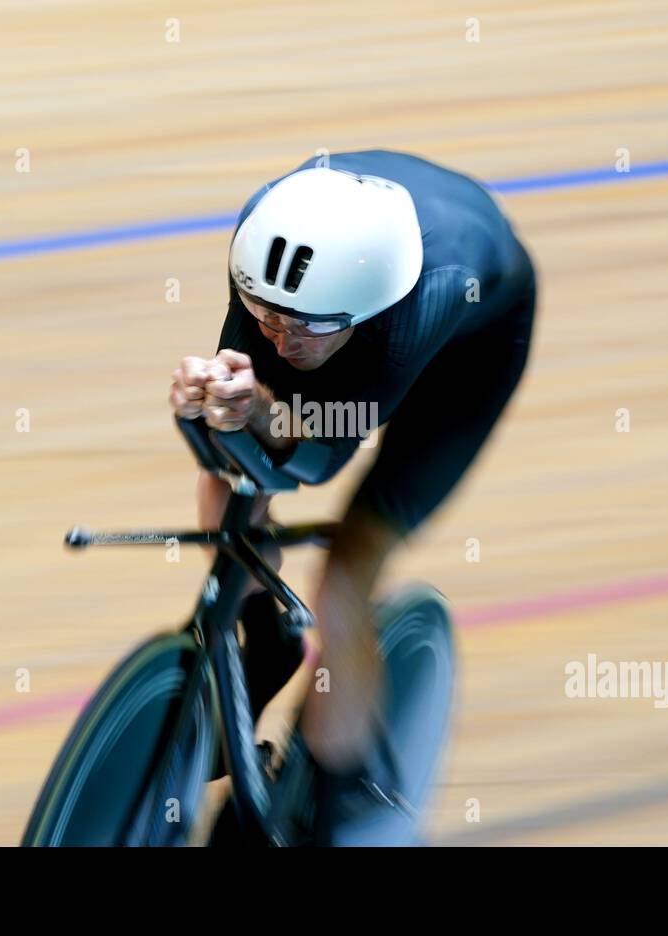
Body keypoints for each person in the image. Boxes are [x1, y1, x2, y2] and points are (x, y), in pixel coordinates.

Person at [169, 150, 537, 843]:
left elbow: (315, 458)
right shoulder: (266, 245)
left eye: (306, 324)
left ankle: (334, 800)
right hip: (358, 311)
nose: (281, 335)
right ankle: (266, 632)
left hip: (467, 357)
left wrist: (256, 413)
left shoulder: (412, 303)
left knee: (343, 577)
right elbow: (249, 409)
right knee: (226, 486)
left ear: (360, 310)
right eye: (266, 314)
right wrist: (212, 402)